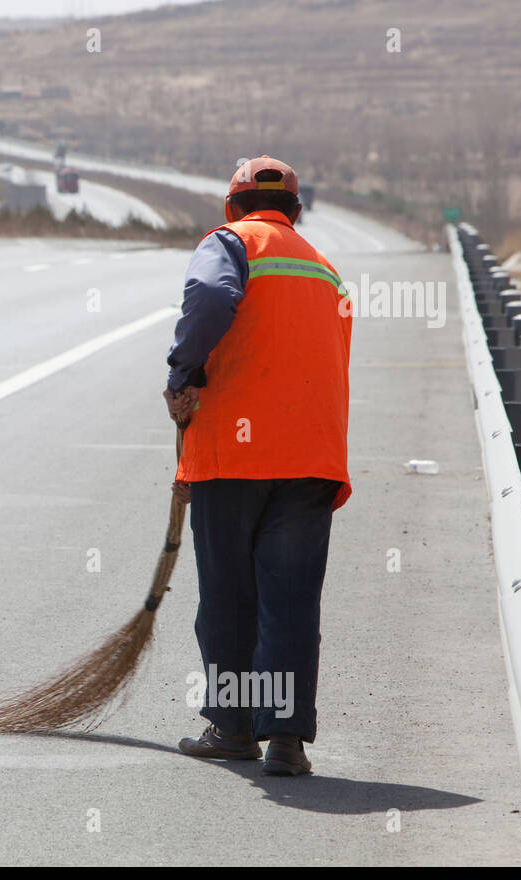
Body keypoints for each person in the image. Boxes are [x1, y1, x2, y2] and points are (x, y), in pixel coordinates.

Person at [163, 156, 352, 776]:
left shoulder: (229, 243)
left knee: (229, 596)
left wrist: (184, 372)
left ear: (231, 207)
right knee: (291, 600)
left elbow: (213, 295)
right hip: (311, 459)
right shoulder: (325, 271)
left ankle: (234, 727)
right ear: (297, 212)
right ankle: (287, 742)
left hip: (234, 458)